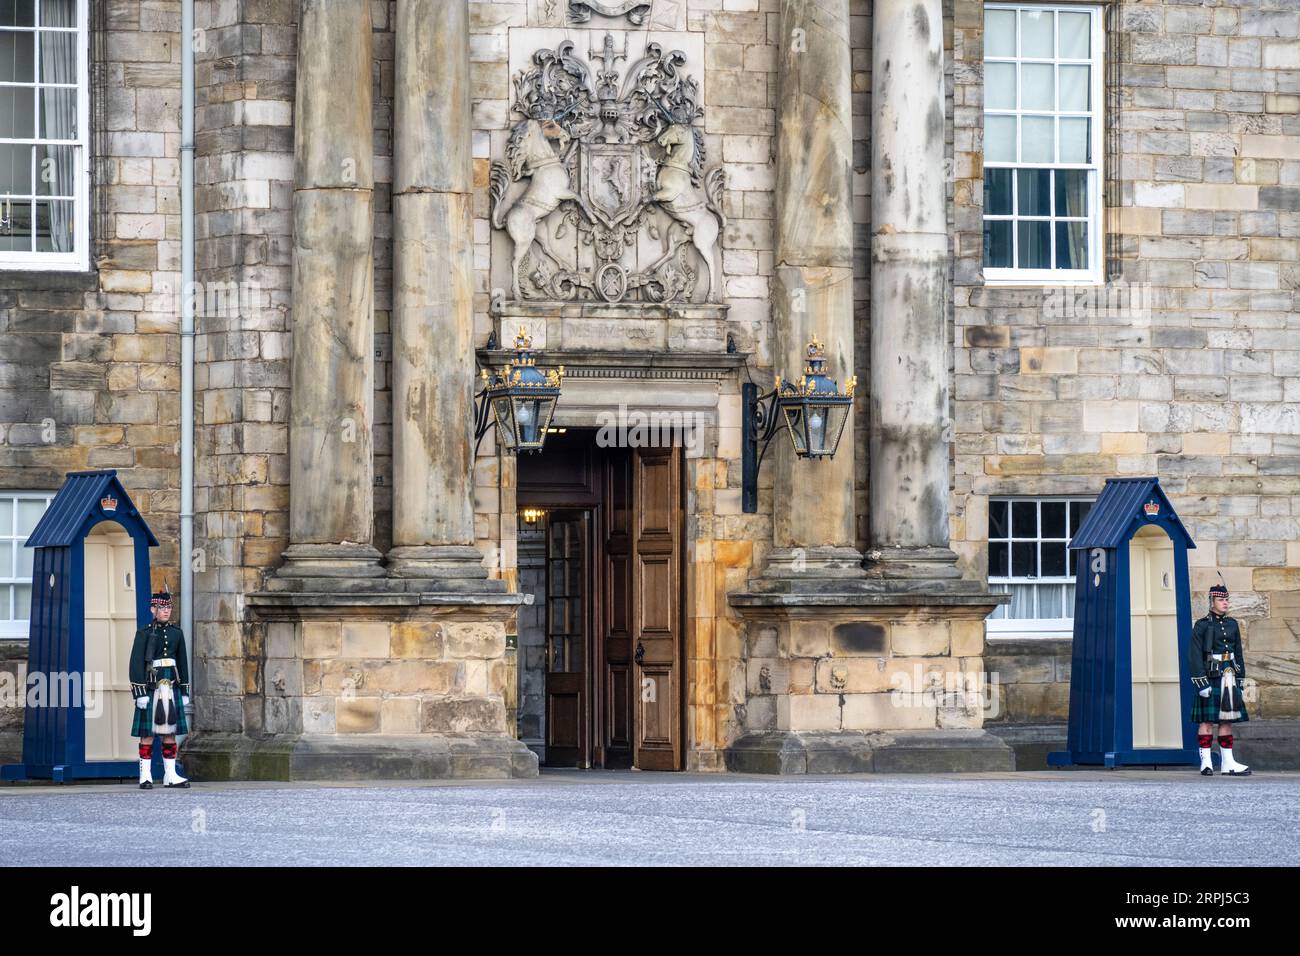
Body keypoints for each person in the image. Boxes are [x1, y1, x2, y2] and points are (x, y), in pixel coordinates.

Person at [129, 590, 191, 789]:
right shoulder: (144, 632)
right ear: (152, 609)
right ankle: (145, 775)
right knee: (147, 733)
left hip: (170, 686)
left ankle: (170, 775)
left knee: (169, 732)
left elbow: (182, 663)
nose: (166, 611)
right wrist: (139, 693)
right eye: (162, 608)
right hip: (150, 686)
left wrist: (185, 691)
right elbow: (135, 663)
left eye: (168, 607)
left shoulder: (176, 633)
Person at [1189, 583, 1250, 776]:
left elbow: (1238, 653)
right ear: (1211, 601)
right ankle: (1206, 762)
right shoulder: (1202, 625)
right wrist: (1200, 682)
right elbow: (1194, 655)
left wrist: (1240, 679)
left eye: (1226, 600)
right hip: (1209, 674)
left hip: (1228, 674)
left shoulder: (1232, 624)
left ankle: (1228, 763)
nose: (1225, 603)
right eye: (1221, 600)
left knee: (1226, 721)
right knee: (1206, 721)